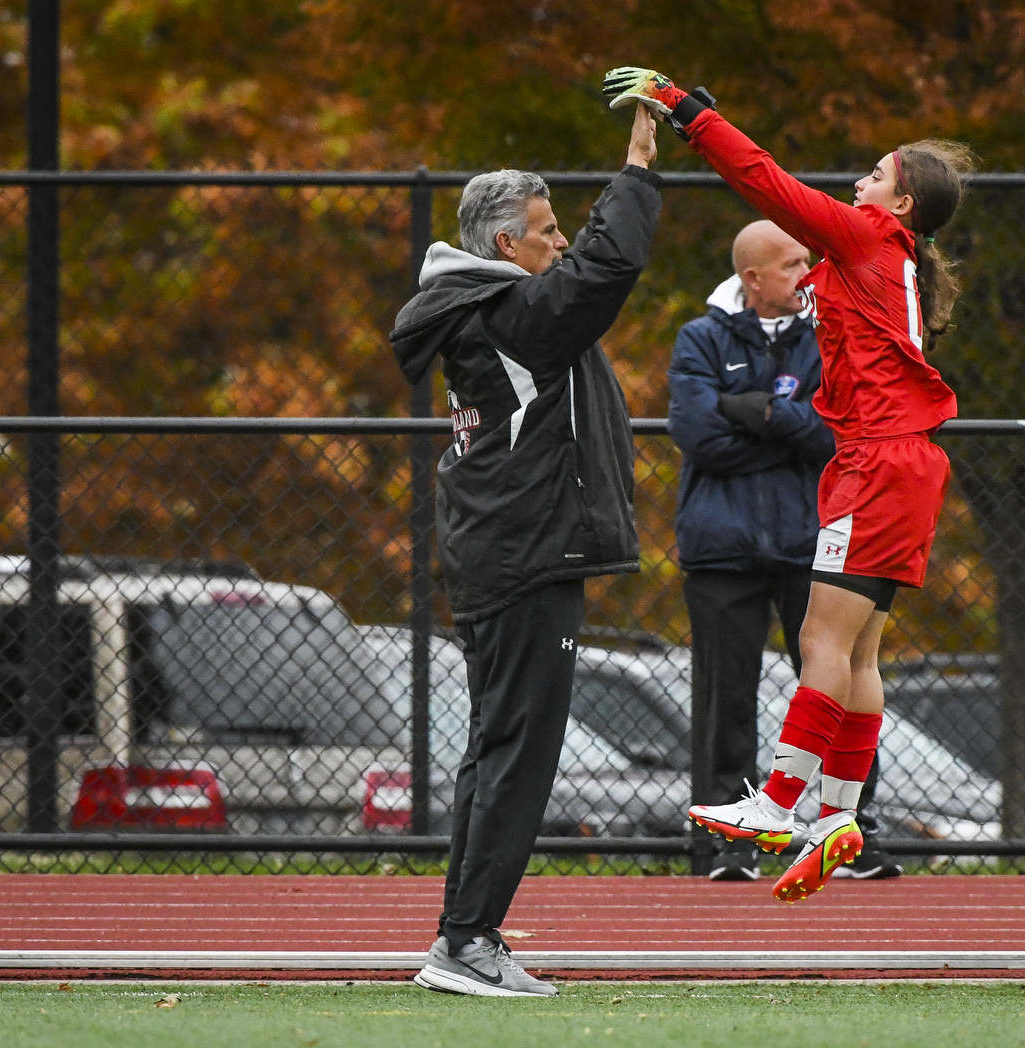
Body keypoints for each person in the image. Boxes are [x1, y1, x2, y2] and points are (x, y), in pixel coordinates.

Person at [605, 67, 971, 902]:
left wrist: (684, 105)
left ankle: (777, 803)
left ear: (901, 204)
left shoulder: (869, 238)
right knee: (862, 649)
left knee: (821, 642)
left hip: (877, 460)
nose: (858, 182)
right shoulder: (894, 258)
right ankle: (839, 813)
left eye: (875, 175)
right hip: (902, 458)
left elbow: (760, 177)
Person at [388, 105, 662, 994]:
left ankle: (464, 936)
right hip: (521, 553)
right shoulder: (505, 313)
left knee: (499, 744)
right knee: (518, 749)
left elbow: (579, 286)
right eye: (546, 233)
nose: (558, 245)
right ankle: (466, 943)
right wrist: (637, 170)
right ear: (506, 244)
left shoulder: (490, 307)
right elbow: (603, 271)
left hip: (511, 551)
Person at [669, 219, 901, 882]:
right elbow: (697, 433)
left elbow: (839, 432)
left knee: (840, 681)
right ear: (753, 278)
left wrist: (759, 413)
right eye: (795, 263)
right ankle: (728, 839)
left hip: (813, 542)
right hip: (723, 547)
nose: (809, 273)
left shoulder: (831, 333)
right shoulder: (702, 338)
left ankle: (848, 827)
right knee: (726, 696)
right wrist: (789, 432)